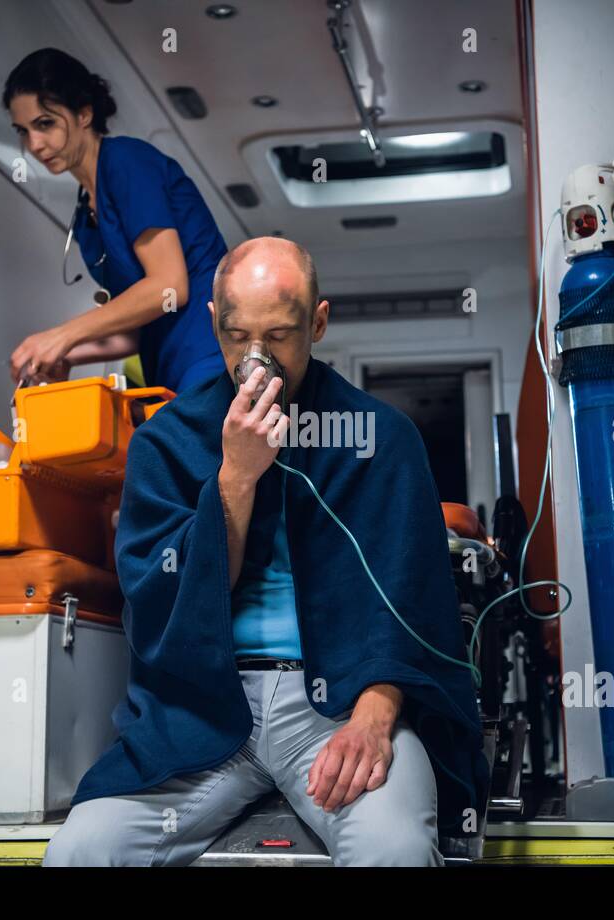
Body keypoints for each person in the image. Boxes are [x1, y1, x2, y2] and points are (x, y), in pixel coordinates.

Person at [42, 237, 490, 866]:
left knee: (394, 849)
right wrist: (235, 479)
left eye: (280, 336)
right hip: (202, 707)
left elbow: (414, 605)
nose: (255, 358)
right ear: (211, 325)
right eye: (236, 336)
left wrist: (375, 716)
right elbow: (159, 601)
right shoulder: (166, 443)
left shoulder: (381, 439)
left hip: (337, 705)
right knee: (81, 852)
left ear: (319, 323)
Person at [2, 48, 228, 392]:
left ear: (83, 114)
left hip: (207, 358)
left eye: (44, 124)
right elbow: (136, 326)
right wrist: (66, 353)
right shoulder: (85, 215)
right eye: (22, 131)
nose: (34, 144)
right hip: (168, 370)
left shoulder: (127, 162)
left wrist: (62, 335)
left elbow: (169, 288)